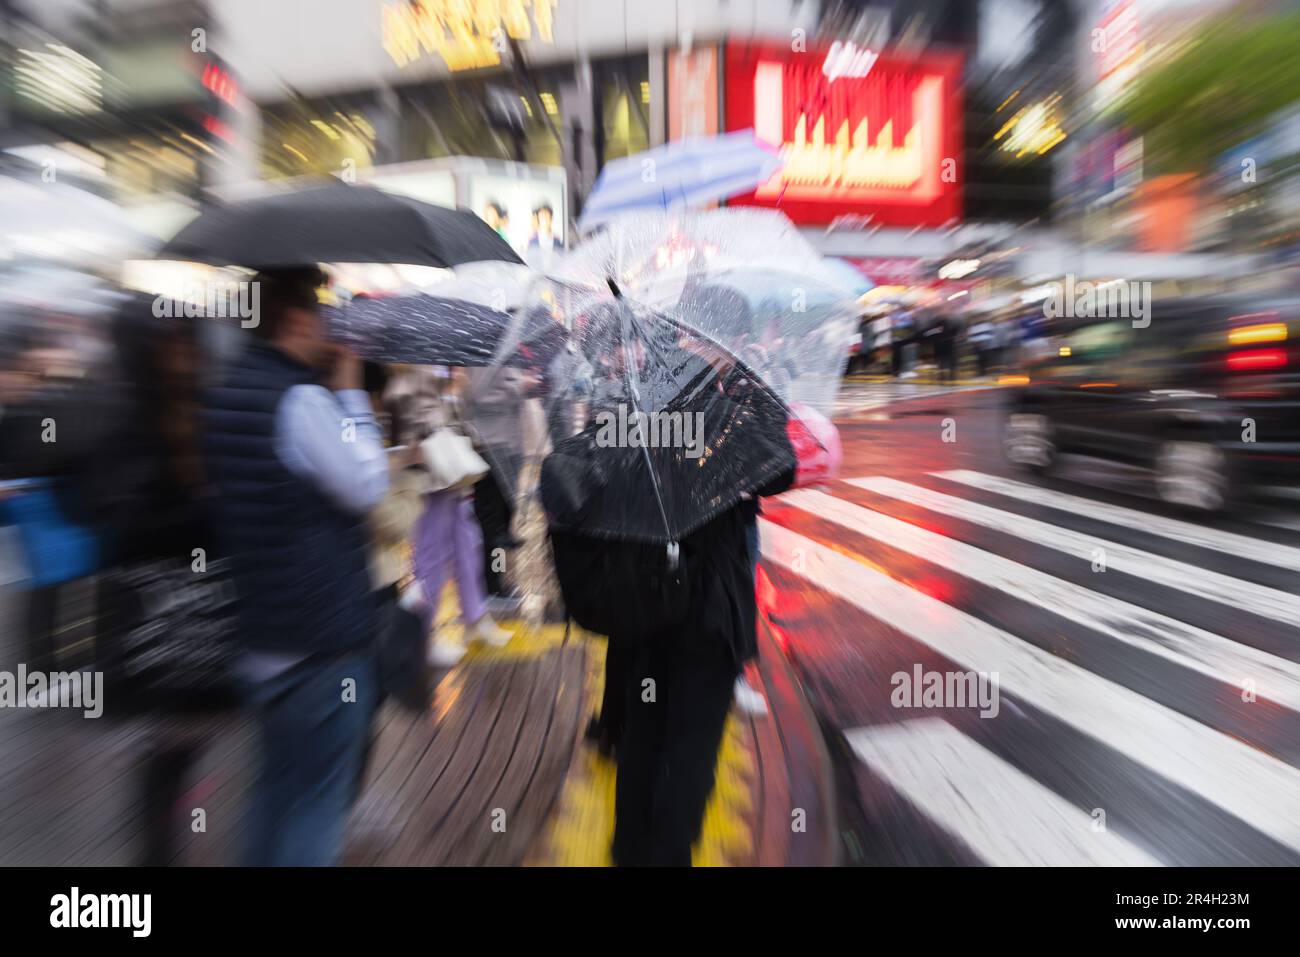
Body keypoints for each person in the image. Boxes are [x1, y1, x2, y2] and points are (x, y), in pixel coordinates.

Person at [201, 267, 387, 867]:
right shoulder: (301, 399)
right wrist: (352, 390)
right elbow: (367, 484)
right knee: (316, 804)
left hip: (261, 633)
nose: (330, 326)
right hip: (320, 641)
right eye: (322, 312)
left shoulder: (229, 389)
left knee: (272, 793)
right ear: (297, 318)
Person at [385, 366, 512, 665]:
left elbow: (449, 421)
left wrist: (452, 398)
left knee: (469, 545)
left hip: (451, 477)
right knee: (432, 556)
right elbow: (412, 430)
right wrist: (447, 400)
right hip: (429, 481)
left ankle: (476, 617)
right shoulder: (405, 382)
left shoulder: (434, 376)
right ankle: (424, 636)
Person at [462, 366, 528, 608]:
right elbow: (480, 396)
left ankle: (498, 580)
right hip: (492, 448)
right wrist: (521, 386)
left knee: (504, 521)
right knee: (493, 527)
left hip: (509, 447)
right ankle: (493, 585)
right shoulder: (483, 357)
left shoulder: (507, 354)